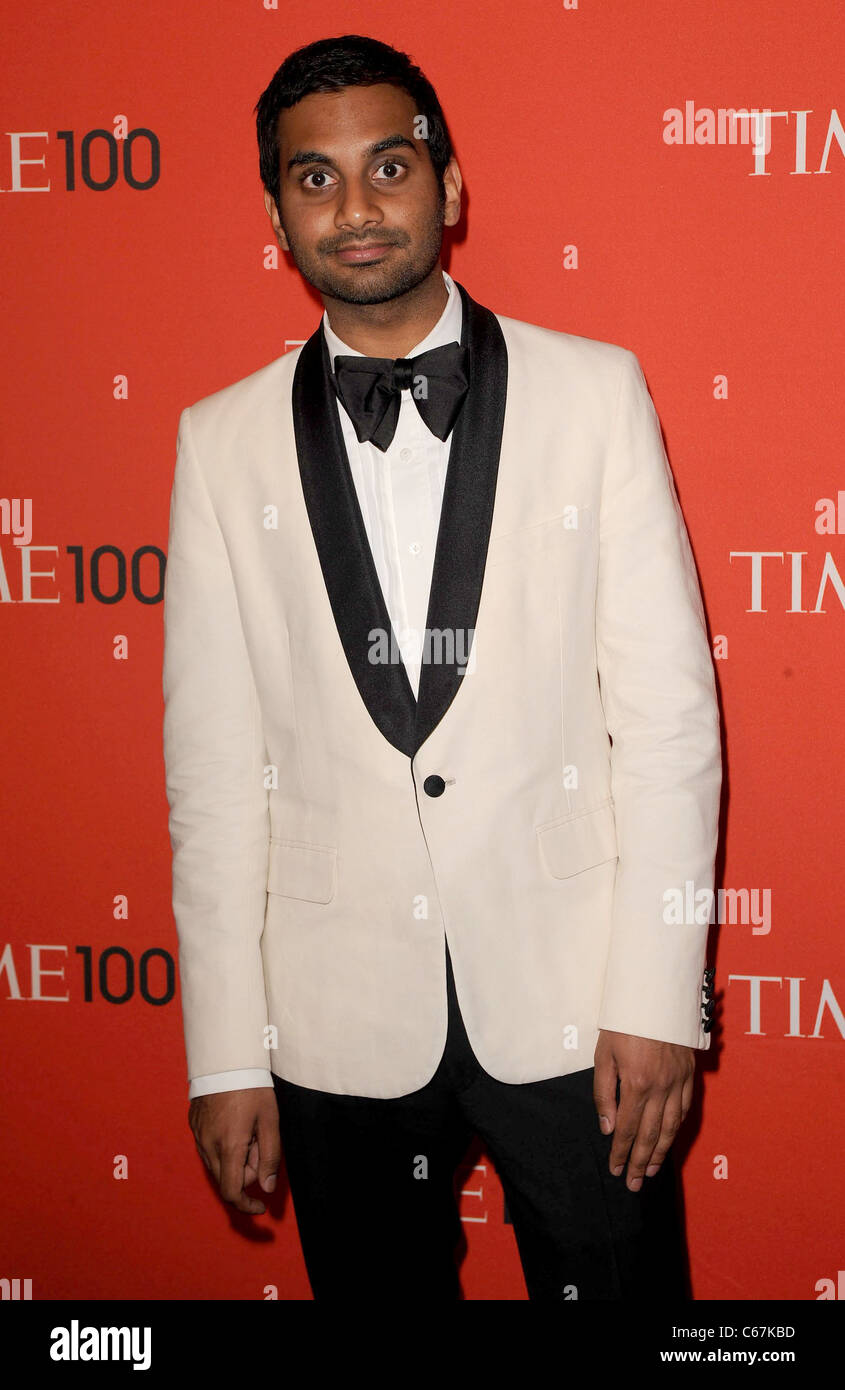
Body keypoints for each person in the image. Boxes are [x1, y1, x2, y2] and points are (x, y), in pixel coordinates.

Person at [162, 33, 721, 1302]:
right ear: (275, 213)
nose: (355, 208)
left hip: (578, 1006)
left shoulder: (595, 396)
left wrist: (658, 996)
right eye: (315, 180)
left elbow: (669, 726)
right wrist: (224, 1054)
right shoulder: (219, 444)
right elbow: (213, 774)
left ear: (449, 184)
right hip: (331, 1021)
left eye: (388, 166)